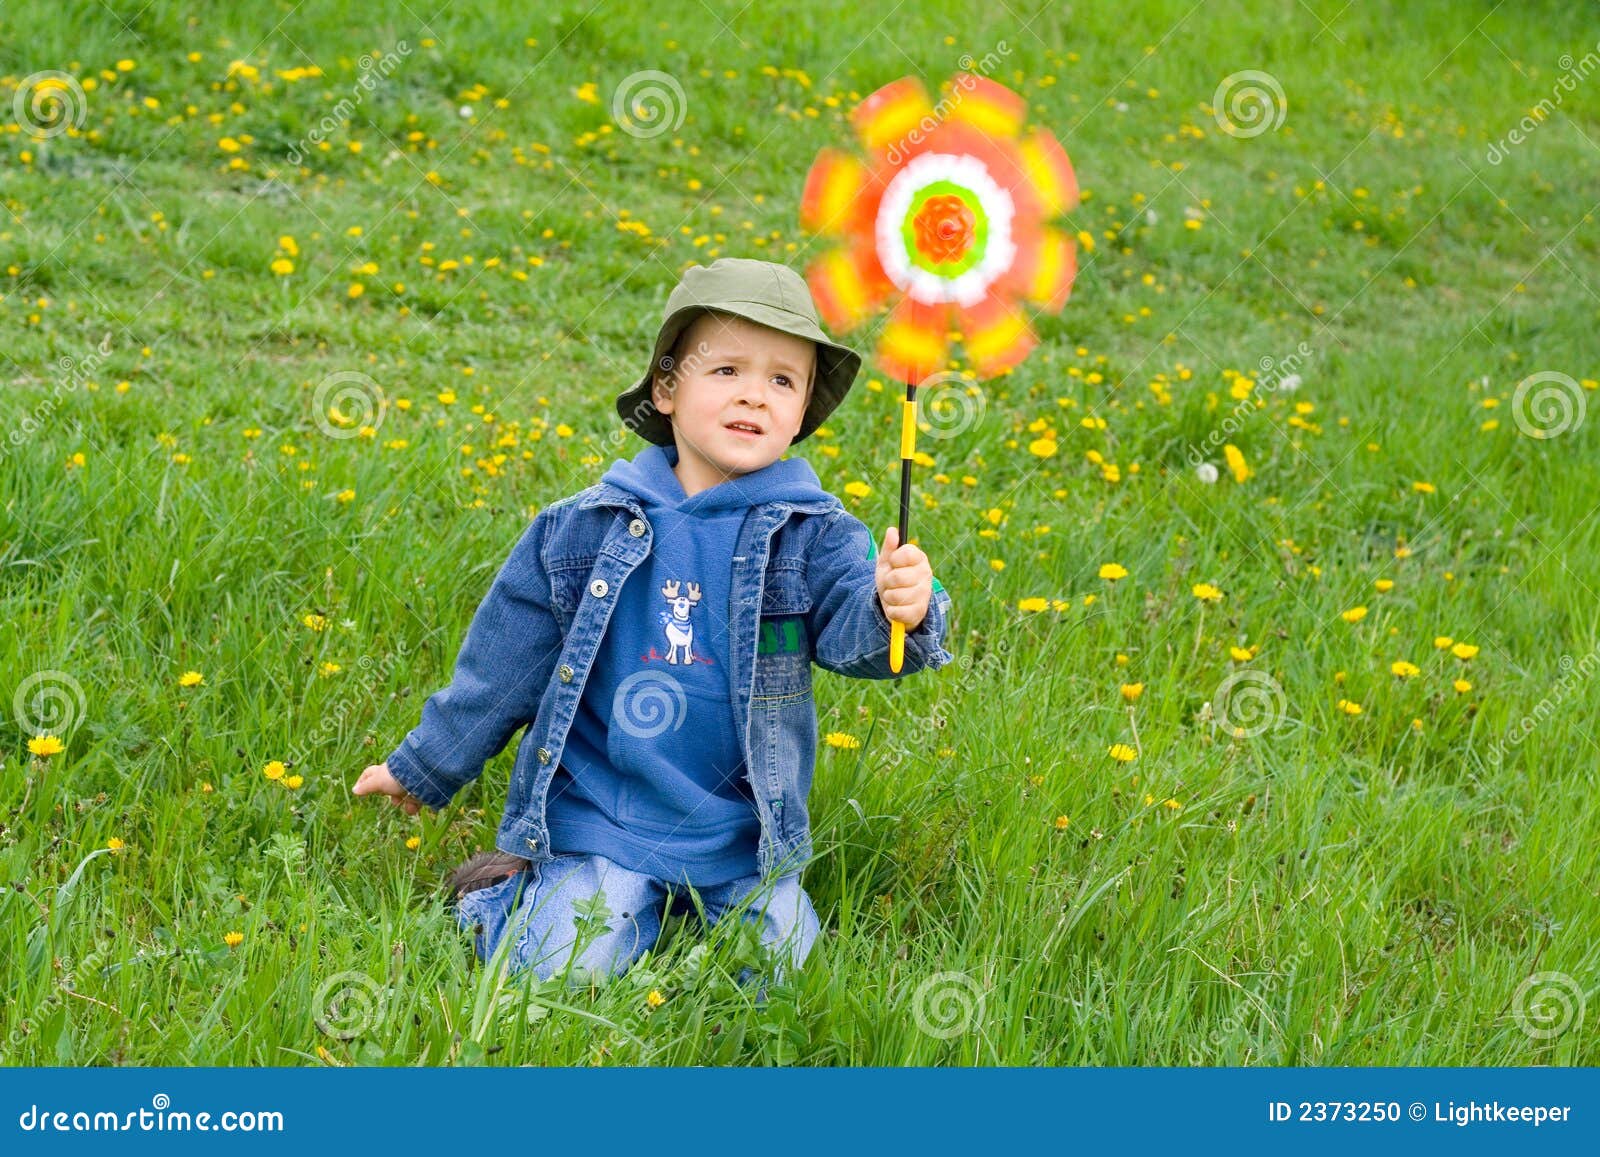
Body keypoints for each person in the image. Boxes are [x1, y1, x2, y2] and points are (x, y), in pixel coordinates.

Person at [353, 257, 954, 990]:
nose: (754, 396)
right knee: (557, 973)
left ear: (803, 414)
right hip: (606, 819)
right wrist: (427, 763)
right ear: (667, 388)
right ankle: (505, 899)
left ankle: (680, 912)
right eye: (726, 369)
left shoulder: (815, 535)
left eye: (782, 380)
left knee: (783, 977)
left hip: (742, 839)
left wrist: (900, 606)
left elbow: (859, 631)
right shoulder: (586, 526)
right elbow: (504, 661)